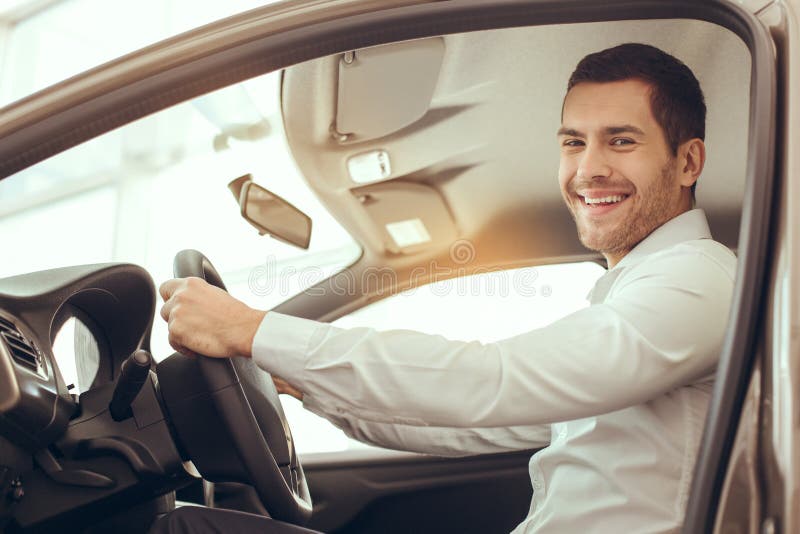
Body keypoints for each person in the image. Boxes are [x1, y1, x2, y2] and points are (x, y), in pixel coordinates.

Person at [152, 43, 736, 533]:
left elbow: (492, 379)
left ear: (688, 162)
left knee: (189, 530)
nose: (588, 169)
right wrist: (302, 384)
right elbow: (472, 423)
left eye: (621, 141)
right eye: (573, 142)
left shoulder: (698, 278)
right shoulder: (638, 295)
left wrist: (254, 330)